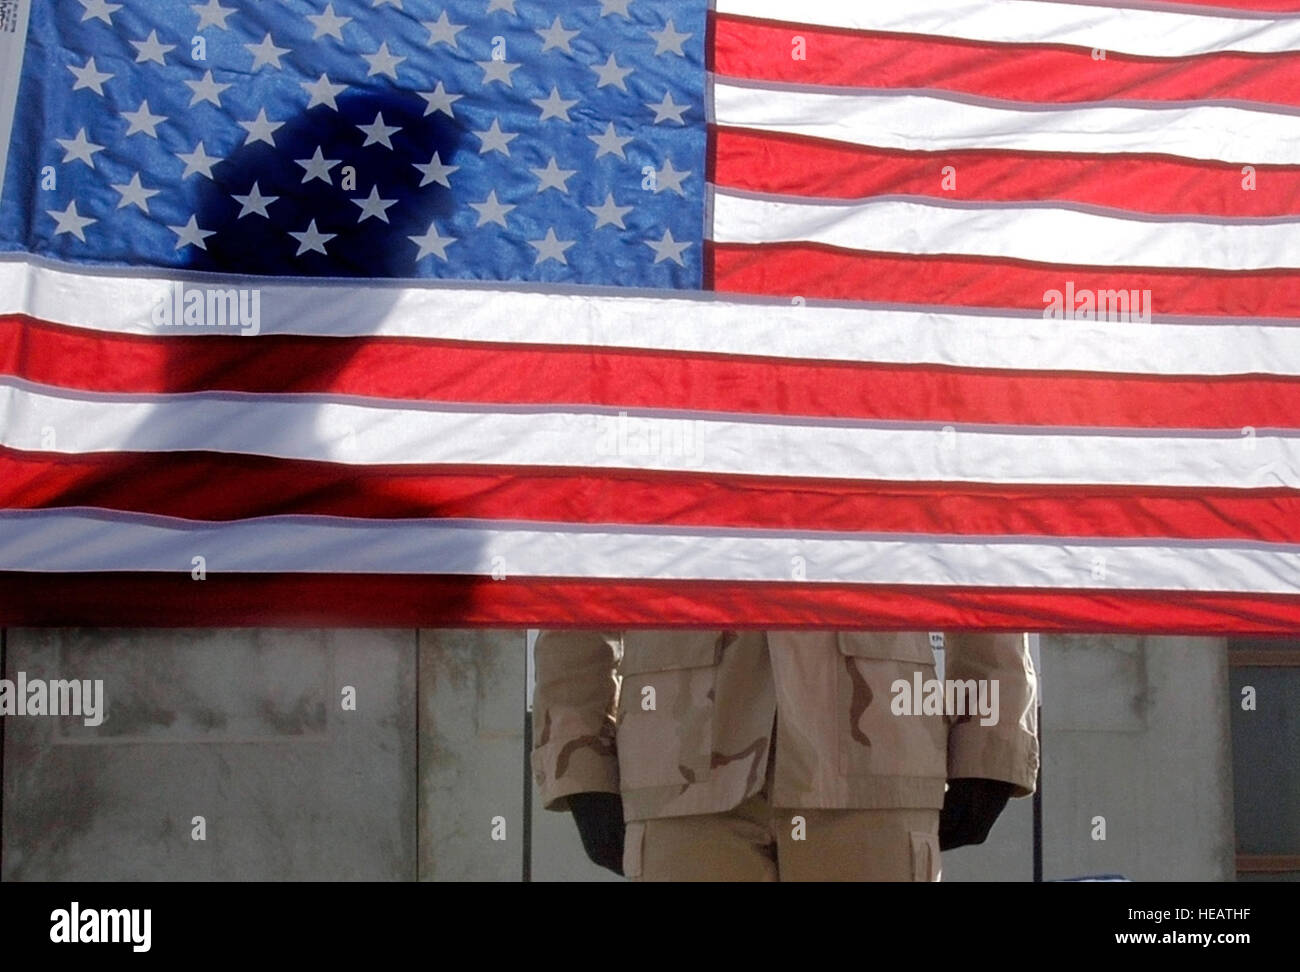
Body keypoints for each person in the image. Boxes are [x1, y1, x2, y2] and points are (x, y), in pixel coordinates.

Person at [531, 630, 1038, 881]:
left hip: (874, 770)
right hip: (681, 771)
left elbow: (974, 530)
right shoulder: (642, 422)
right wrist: (579, 765)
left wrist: (989, 749)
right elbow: (580, 559)